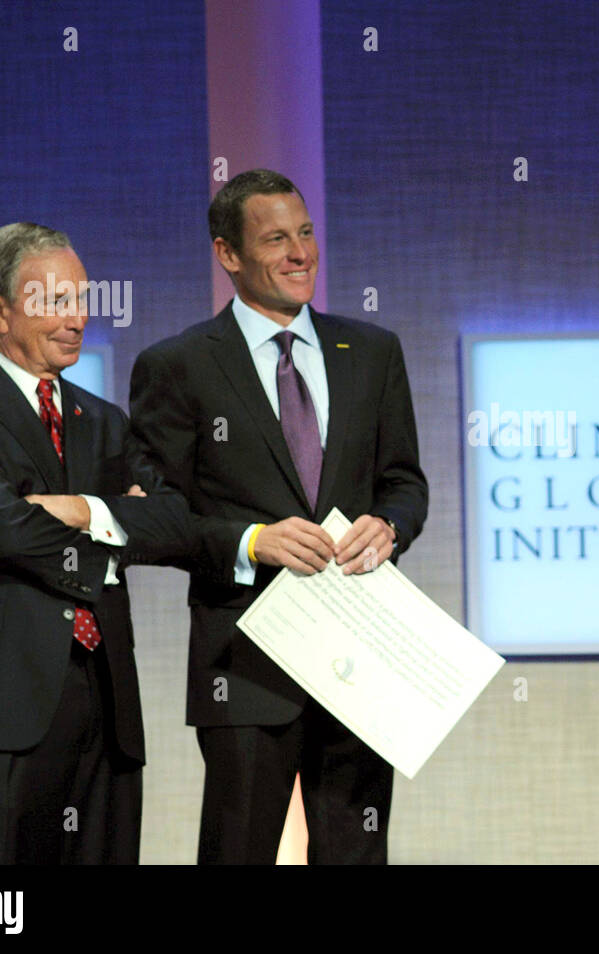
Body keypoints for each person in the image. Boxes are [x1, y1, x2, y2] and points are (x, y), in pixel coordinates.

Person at [129, 169, 428, 864]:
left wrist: (390, 526)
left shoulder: (372, 352)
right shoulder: (177, 366)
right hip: (246, 662)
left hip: (359, 655)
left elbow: (404, 482)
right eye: (275, 239)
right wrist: (251, 541)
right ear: (228, 254)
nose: (300, 253)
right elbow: (154, 520)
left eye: (305, 233)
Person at [0, 223, 193, 863]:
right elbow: (8, 533)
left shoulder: (105, 421)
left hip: (107, 706)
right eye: (55, 302)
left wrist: (78, 508)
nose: (77, 318)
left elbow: (177, 523)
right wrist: (118, 524)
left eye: (82, 300)